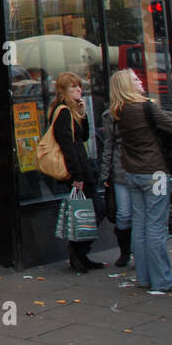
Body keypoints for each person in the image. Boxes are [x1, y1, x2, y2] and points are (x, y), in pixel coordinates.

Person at [110, 68, 172, 294]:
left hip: (132, 173)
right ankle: (163, 280)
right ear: (127, 85)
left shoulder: (119, 110)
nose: (140, 81)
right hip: (154, 172)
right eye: (135, 79)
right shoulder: (145, 106)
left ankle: (144, 277)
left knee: (140, 226)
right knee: (156, 227)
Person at [51, 72, 102, 273]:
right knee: (94, 209)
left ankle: (81, 253)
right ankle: (77, 251)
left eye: (79, 86)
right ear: (63, 90)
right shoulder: (62, 111)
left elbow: (85, 136)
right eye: (73, 87)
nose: (78, 90)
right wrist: (77, 176)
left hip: (82, 168)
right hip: (78, 171)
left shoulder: (72, 111)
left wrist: (83, 113)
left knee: (90, 211)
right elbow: (67, 145)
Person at [98, 103, 132, 267]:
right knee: (123, 215)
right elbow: (108, 145)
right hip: (120, 171)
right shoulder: (110, 115)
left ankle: (138, 252)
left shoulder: (144, 107)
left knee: (138, 215)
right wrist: (105, 174)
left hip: (141, 169)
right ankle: (125, 251)